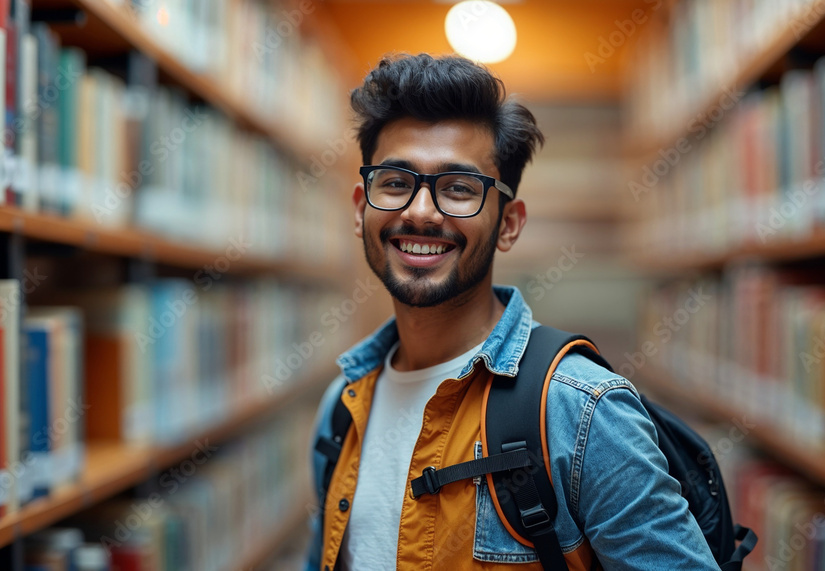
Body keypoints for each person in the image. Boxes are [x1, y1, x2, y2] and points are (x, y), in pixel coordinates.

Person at [306, 53, 719, 570]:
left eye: (458, 189)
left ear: (508, 224)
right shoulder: (341, 408)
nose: (419, 211)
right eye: (394, 182)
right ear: (360, 207)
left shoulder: (584, 413)